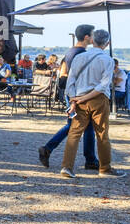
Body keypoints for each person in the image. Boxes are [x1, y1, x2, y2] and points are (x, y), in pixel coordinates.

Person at [61, 28, 126, 178]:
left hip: (78, 97)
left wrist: (74, 99)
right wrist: (85, 98)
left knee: (74, 133)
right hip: (98, 99)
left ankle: (67, 166)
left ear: (92, 40)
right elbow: (103, 85)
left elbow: (71, 81)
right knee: (102, 134)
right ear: (107, 43)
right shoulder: (108, 60)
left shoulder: (79, 58)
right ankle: (105, 168)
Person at [38, 25, 98, 170]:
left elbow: (65, 73)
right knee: (78, 125)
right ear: (86, 37)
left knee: (83, 126)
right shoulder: (82, 53)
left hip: (73, 93)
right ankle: (48, 148)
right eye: (92, 35)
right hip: (78, 94)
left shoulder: (70, 52)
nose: (94, 38)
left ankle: (90, 159)